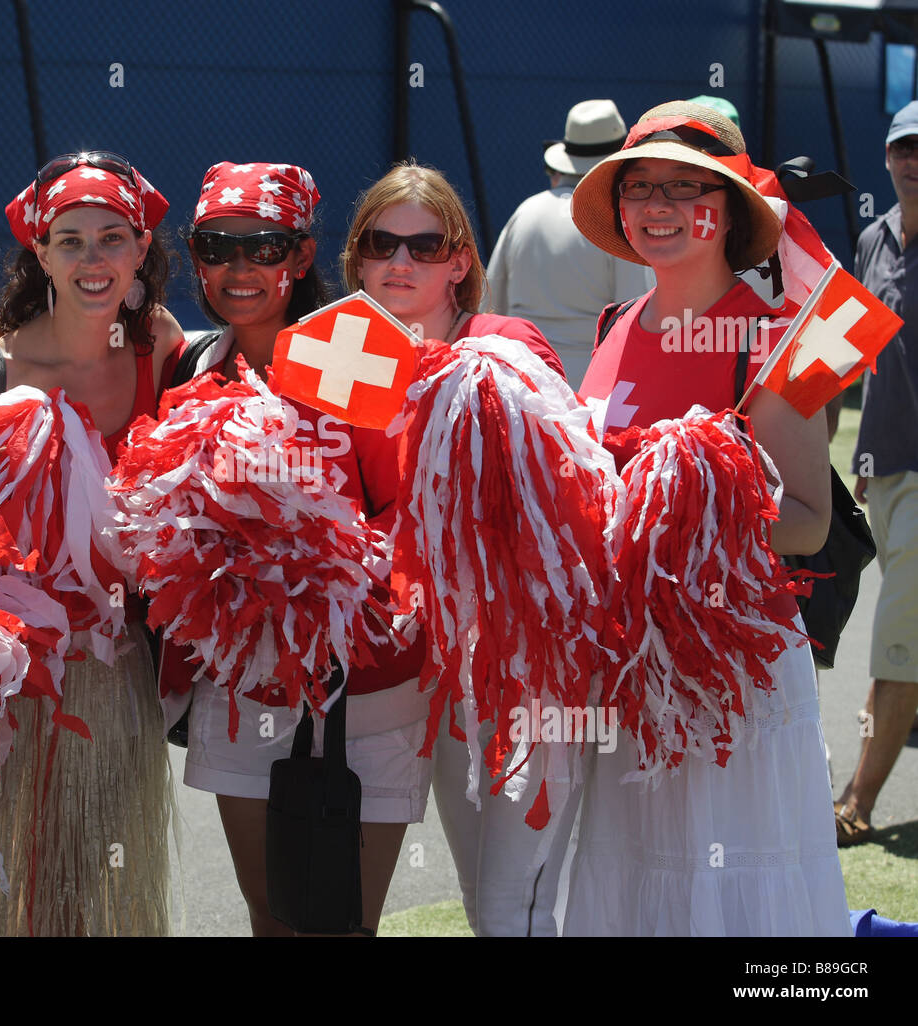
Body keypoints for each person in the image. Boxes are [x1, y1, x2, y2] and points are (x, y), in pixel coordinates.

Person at [565, 100, 848, 935]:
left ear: (727, 211)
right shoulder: (614, 324)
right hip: (628, 667)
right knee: (635, 880)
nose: (657, 206)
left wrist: (683, 518)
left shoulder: (776, 340)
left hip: (730, 678)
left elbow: (808, 521)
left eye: (686, 188)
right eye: (640, 185)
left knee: (727, 895)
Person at [0, 151, 183, 936]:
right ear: (40, 253)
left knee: (79, 906)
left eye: (113, 238)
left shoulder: (160, 351)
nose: (94, 259)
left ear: (142, 251)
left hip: (104, 675)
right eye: (71, 239)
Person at [159, 159, 430, 937]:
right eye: (217, 247)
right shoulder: (193, 368)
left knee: (340, 926)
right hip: (243, 695)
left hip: (371, 693)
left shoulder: (357, 348)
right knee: (273, 917)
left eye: (266, 247)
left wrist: (319, 569)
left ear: (302, 257)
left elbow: (410, 519)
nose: (240, 268)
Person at [336, 161, 577, 937]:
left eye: (424, 245)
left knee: (517, 907)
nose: (400, 262)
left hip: (517, 671)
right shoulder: (343, 362)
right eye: (381, 243)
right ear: (357, 257)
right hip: (419, 677)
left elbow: (562, 491)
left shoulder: (505, 342)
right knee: (486, 901)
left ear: (460, 261)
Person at [832, 100, 918, 846]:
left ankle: (858, 802)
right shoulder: (872, 237)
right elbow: (863, 356)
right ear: (887, 157)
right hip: (885, 467)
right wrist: (863, 457)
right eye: (903, 149)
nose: (914, 162)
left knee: (899, 638)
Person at [486, 99, 653, 384]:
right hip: (590, 384)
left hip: (519, 377)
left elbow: (489, 303)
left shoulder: (524, 212)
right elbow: (635, 317)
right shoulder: (616, 220)